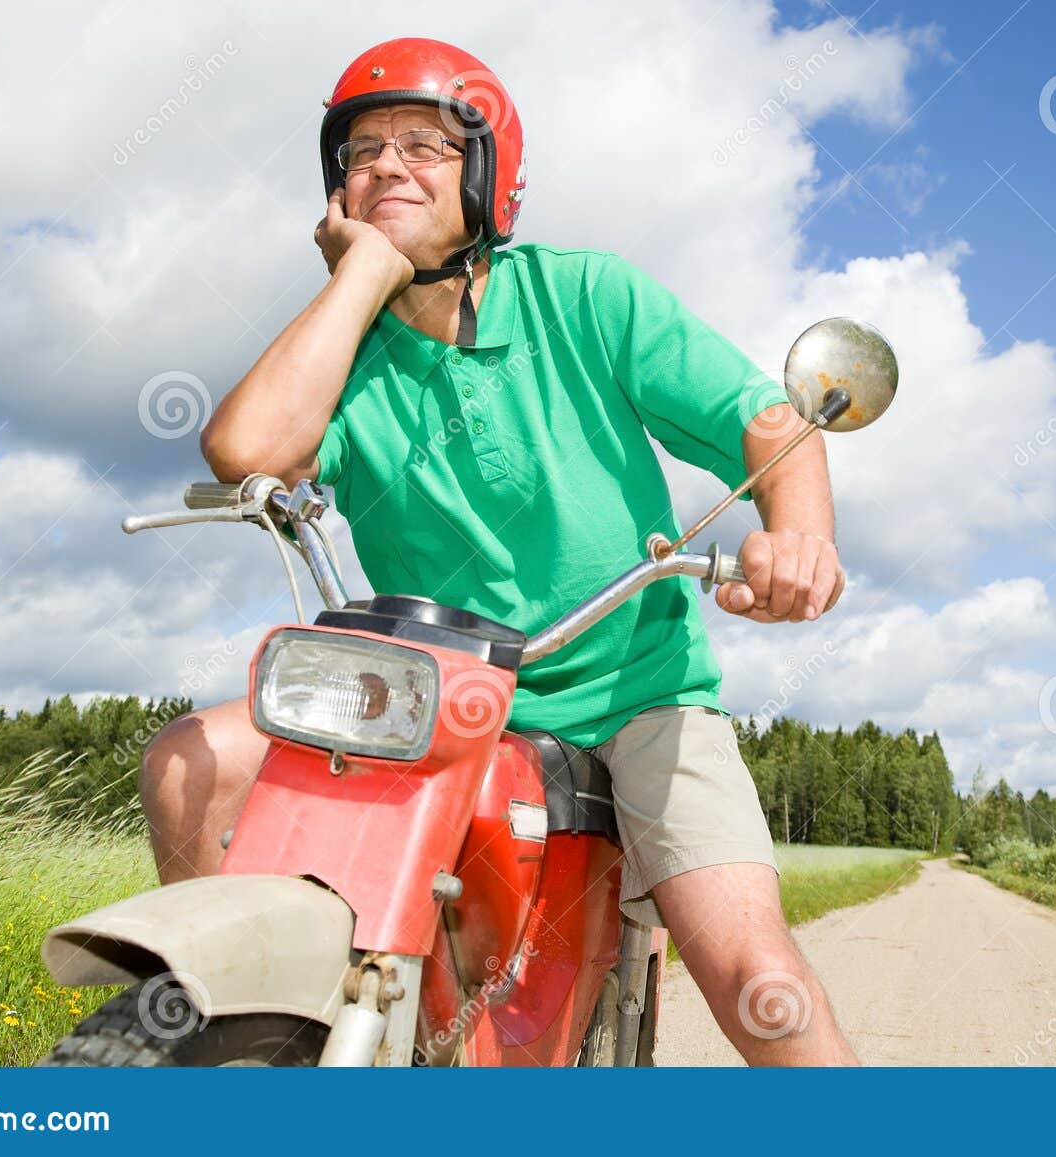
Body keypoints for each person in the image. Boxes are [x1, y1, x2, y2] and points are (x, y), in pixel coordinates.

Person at [140, 36, 857, 1065]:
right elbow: (249, 450)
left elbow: (767, 421)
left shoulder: (587, 296)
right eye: (361, 151)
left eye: (424, 143)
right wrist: (369, 274)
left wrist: (800, 537)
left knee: (761, 980)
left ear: (486, 174)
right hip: (436, 699)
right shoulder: (346, 351)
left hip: (634, 691)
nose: (386, 164)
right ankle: (234, 1039)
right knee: (184, 767)